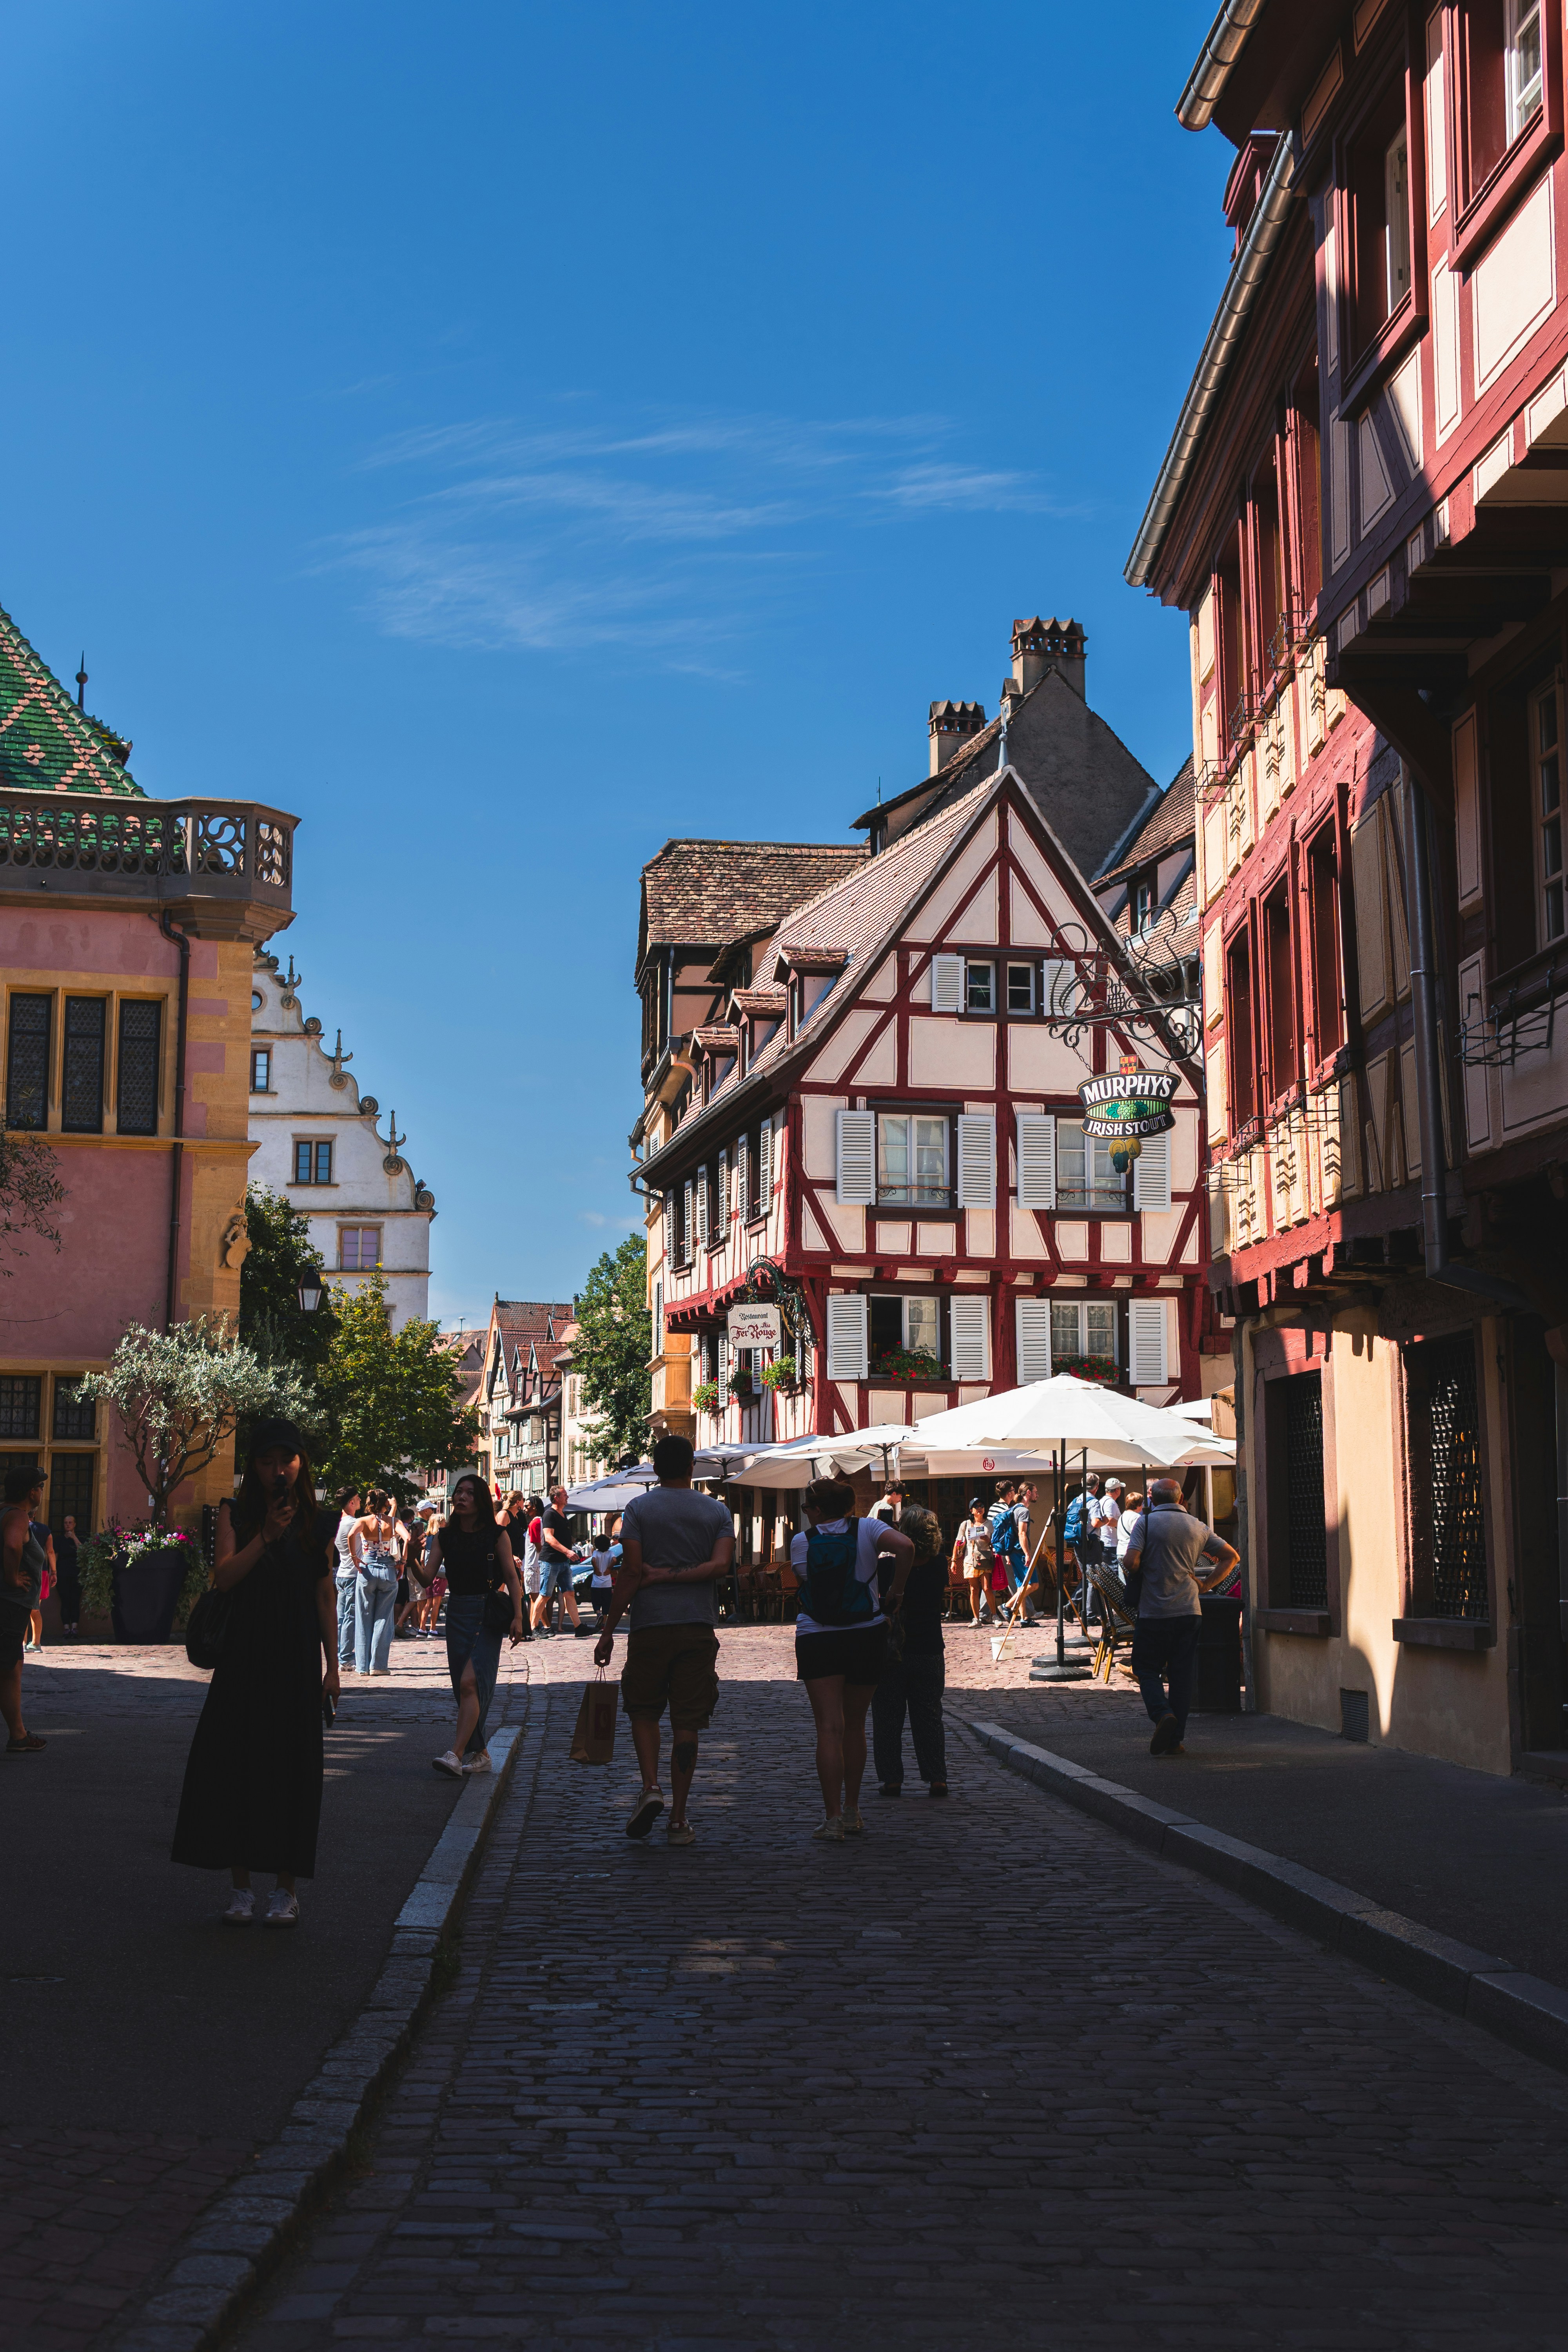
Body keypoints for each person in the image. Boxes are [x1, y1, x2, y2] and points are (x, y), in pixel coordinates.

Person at [171, 1419, 339, 1924]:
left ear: (300, 1464)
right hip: (245, 1655)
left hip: (295, 1657)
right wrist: (265, 1535)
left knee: (293, 1769)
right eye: (267, 1462)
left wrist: (333, 1666)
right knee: (235, 1765)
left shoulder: (318, 1522)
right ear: (255, 1467)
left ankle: (285, 1889)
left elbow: (324, 1595)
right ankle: (241, 1887)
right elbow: (224, 1578)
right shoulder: (236, 1512)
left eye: (285, 1461)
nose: (277, 1472)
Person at [592, 1433, 733, 1847]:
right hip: (697, 1626)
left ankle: (651, 1785)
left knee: (644, 1709)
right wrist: (682, 1575)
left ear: (655, 1468)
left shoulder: (639, 1509)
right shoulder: (716, 1512)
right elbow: (720, 1566)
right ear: (692, 1467)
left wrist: (607, 1632)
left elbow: (632, 1573)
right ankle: (678, 1818)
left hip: (650, 1626)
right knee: (688, 1721)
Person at [793, 1477, 913, 1840]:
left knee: (829, 1728)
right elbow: (906, 1546)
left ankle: (831, 1819)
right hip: (865, 1632)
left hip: (818, 1636)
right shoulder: (869, 1528)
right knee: (857, 1725)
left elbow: (807, 1582)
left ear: (816, 1511)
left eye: (806, 1509)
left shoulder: (803, 1542)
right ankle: (853, 1811)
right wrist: (896, 1591)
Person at [1121, 1477, 1241, 1756]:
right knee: (1181, 1675)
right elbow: (1231, 1557)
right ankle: (1175, 1741)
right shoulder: (1197, 1526)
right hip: (1189, 1610)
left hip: (1154, 1612)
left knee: (1146, 1668)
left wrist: (1141, 1565)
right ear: (1180, 1500)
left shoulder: (1147, 1523)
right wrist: (1207, 1584)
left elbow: (1131, 1561)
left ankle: (1162, 1713)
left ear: (1152, 1500)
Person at [422, 1474, 524, 1778]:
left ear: (480, 1500)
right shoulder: (446, 1536)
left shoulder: (497, 1535)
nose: (462, 1497)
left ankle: (455, 1754)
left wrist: (519, 1617)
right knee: (464, 1686)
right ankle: (480, 1753)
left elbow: (511, 1577)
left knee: (470, 1682)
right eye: (459, 1492)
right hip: (457, 1613)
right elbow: (428, 1579)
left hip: (487, 1612)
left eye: (469, 1493)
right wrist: (414, 1556)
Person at [871, 1500, 948, 1798]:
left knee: (888, 1717)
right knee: (929, 1716)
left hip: (893, 1650)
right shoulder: (940, 1564)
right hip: (929, 1647)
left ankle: (892, 1778)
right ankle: (937, 1777)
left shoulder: (887, 1566)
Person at [1, 1467, 48, 1754]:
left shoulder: (4, 1512)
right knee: (8, 1669)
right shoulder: (18, 1516)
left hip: (8, 1605)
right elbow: (11, 1545)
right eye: (40, 1487)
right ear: (32, 1492)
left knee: (12, 1667)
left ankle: (18, 1733)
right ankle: (18, 1737)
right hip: (10, 1604)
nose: (42, 1492)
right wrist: (12, 1578)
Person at [350, 1491, 400, 1675]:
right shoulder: (393, 1522)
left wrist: (355, 1557)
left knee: (363, 1619)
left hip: (367, 1570)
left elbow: (351, 1535)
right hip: (388, 1570)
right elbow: (408, 1538)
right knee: (383, 1620)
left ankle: (362, 1667)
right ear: (386, 1503)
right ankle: (378, 1666)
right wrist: (402, 1563)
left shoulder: (363, 1521)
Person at [531, 1486, 587, 1638]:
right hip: (551, 1561)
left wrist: (570, 1546)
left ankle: (579, 1627)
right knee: (545, 1595)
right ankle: (534, 1628)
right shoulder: (550, 1514)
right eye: (565, 1495)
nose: (567, 1497)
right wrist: (568, 1551)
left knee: (570, 1593)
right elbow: (549, 1538)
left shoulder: (563, 1515)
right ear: (556, 1498)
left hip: (563, 1562)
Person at [951, 1499, 997, 1627]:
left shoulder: (990, 1524)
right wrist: (954, 1561)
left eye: (982, 1506)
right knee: (974, 1589)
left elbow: (997, 1543)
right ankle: (977, 1619)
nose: (980, 1508)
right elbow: (958, 1542)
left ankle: (995, 1616)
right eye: (976, 1507)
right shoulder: (966, 1525)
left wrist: (989, 1541)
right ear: (972, 1511)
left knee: (987, 1588)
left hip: (986, 1559)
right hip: (970, 1560)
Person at [332, 1489, 361, 1673]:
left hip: (342, 1574)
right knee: (349, 1618)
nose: (360, 1501)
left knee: (341, 1618)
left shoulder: (338, 1523)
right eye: (358, 1499)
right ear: (351, 1503)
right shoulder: (354, 1523)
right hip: (352, 1575)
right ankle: (346, 1658)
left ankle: (340, 1655)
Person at [55, 1513, 82, 1637]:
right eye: (66, 1523)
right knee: (65, 1601)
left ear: (75, 1524)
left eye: (70, 1523)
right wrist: (53, 1572)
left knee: (76, 1601)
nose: (68, 1525)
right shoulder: (59, 1540)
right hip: (63, 1574)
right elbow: (55, 1557)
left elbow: (84, 1552)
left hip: (77, 1574)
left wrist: (74, 1538)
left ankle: (75, 1628)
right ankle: (66, 1628)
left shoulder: (81, 1538)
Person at [588, 1530, 618, 1620]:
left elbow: (593, 1560)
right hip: (607, 1583)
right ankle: (603, 1624)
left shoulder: (596, 1553)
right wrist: (609, 1569)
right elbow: (615, 1560)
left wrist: (596, 1569)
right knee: (606, 1603)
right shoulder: (610, 1553)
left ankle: (598, 1614)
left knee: (596, 1602)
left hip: (596, 1583)